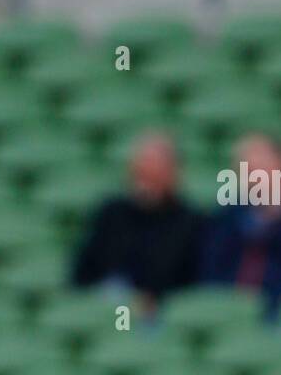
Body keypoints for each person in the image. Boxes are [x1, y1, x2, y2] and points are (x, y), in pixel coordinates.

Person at [71, 132, 204, 312]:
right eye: (141, 171)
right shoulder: (110, 215)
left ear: (172, 174)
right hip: (110, 310)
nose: (145, 182)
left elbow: (193, 287)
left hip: (160, 316)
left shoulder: (191, 223)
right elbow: (81, 275)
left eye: (154, 173)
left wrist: (151, 300)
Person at [200, 133, 281, 317]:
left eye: (259, 171)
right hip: (228, 312)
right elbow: (211, 271)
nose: (253, 180)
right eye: (246, 172)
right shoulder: (228, 217)